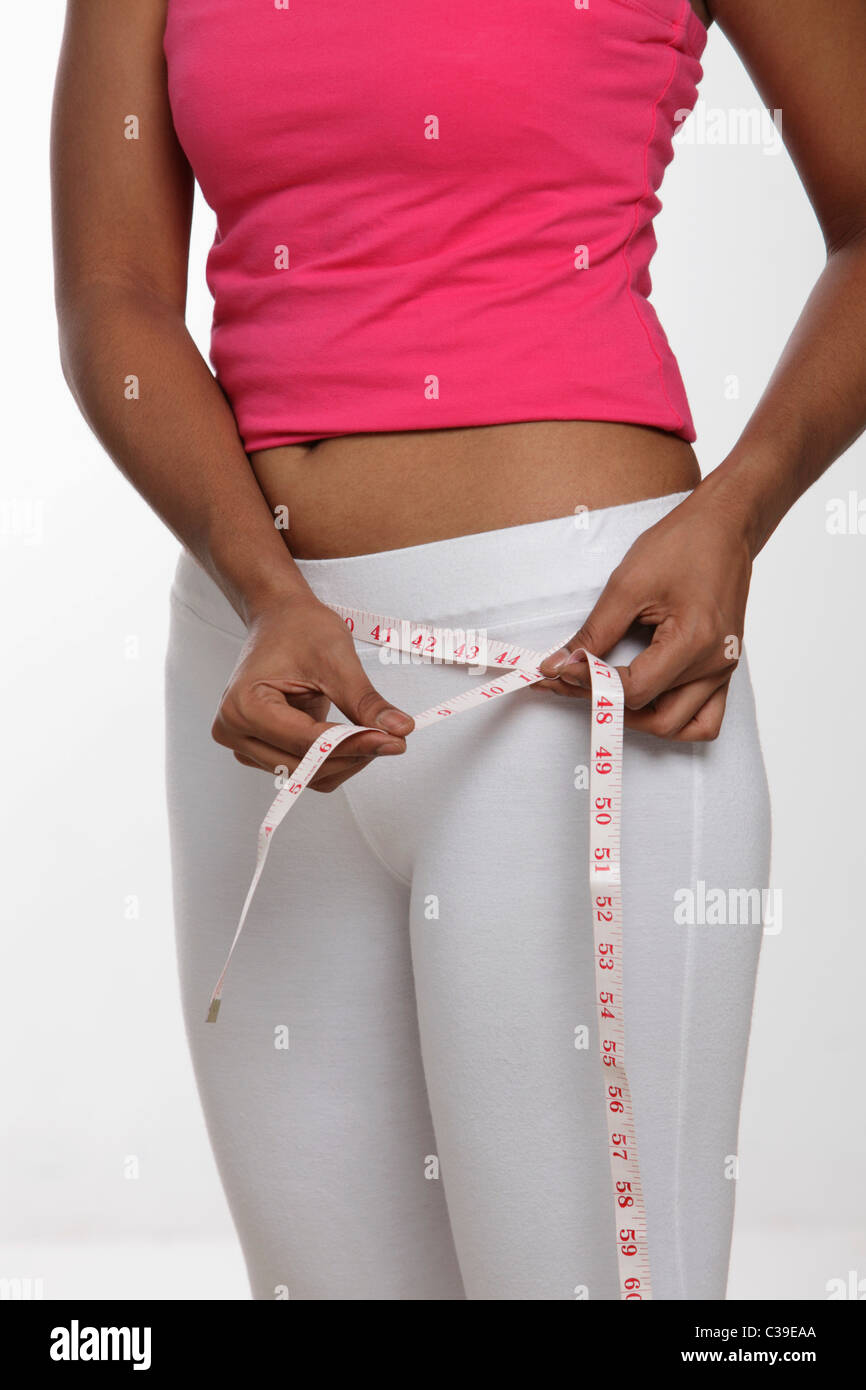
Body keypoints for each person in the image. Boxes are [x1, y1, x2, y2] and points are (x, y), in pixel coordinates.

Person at [51, 0, 866, 1300]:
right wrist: (261, 581)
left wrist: (739, 511)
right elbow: (112, 296)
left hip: (579, 656)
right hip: (264, 679)